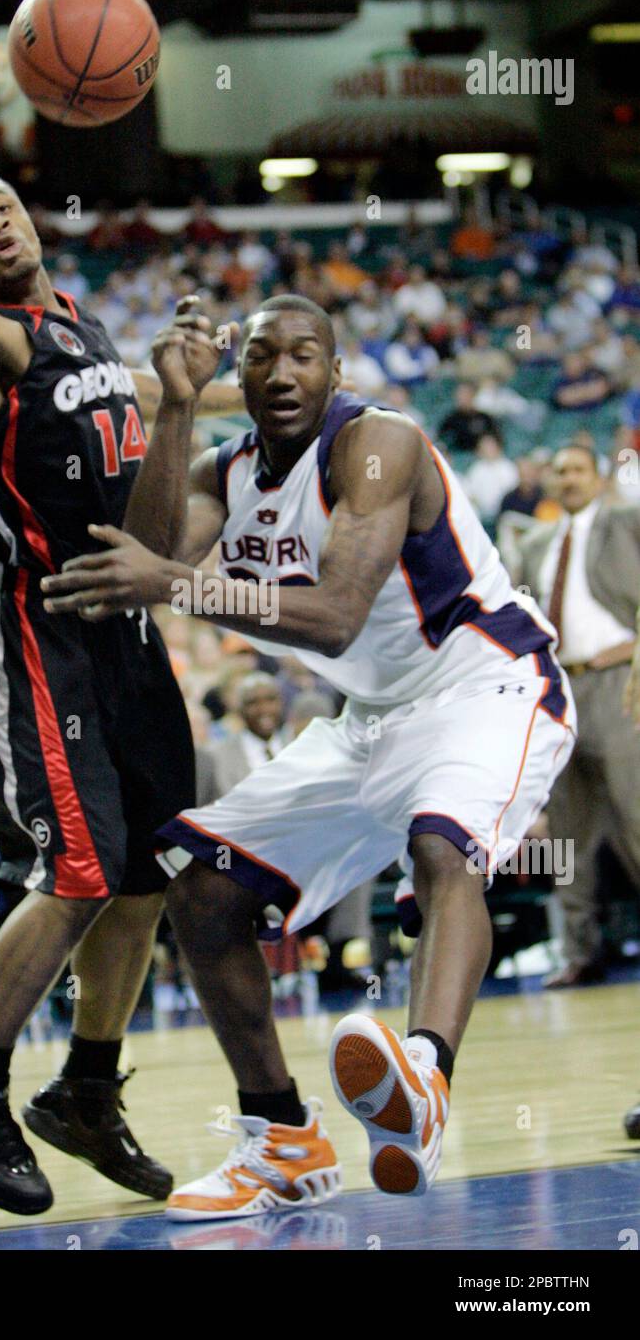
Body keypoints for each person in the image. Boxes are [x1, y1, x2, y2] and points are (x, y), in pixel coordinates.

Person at [43, 293, 576, 1218]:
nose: (281, 374)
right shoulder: (226, 466)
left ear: (336, 373)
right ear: (236, 377)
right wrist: (171, 407)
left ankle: (424, 1080)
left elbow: (329, 617)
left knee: (442, 850)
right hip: (369, 714)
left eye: (302, 356)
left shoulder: (378, 444)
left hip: (484, 684)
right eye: (258, 359)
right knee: (203, 891)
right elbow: (148, 555)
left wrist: (172, 582)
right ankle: (282, 1139)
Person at [0, 84, 239, 1216]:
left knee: (146, 879)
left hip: (124, 625)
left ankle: (84, 1089)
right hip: (37, 629)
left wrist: (186, 406)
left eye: (2, 205)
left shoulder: (78, 329)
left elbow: (159, 528)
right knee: (76, 871)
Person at [518, 444, 640, 987]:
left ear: (598, 478)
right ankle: (578, 951)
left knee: (636, 814)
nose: (568, 478)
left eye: (577, 470)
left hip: (619, 680)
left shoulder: (624, 522)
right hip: (559, 689)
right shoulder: (536, 542)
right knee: (567, 832)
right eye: (559, 470)